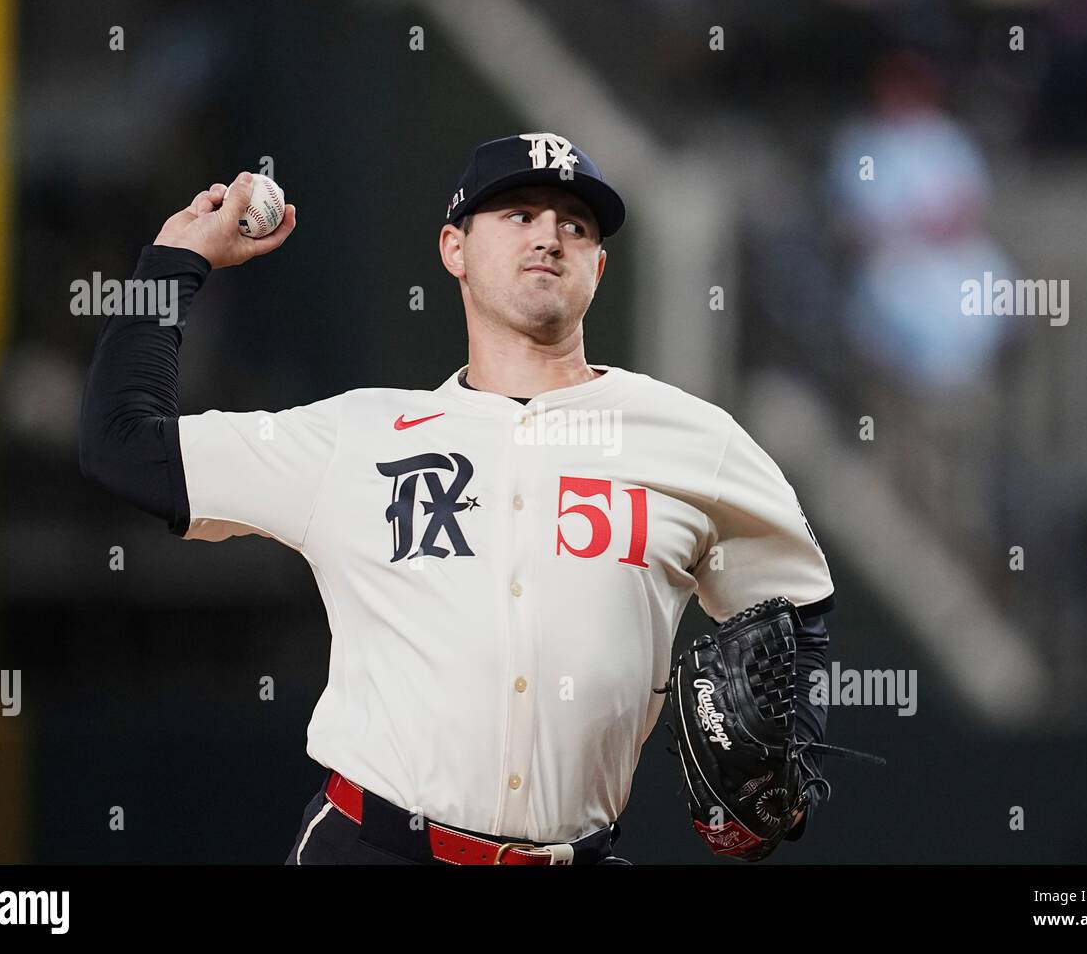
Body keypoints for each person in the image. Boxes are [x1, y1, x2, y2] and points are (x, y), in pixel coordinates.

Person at [79, 132, 835, 864]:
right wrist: (174, 263)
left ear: (599, 268)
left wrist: (782, 782)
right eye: (518, 214)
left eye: (575, 225)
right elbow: (124, 446)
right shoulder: (357, 435)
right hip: (374, 849)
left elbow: (796, 608)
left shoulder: (694, 439)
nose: (549, 236)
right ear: (454, 250)